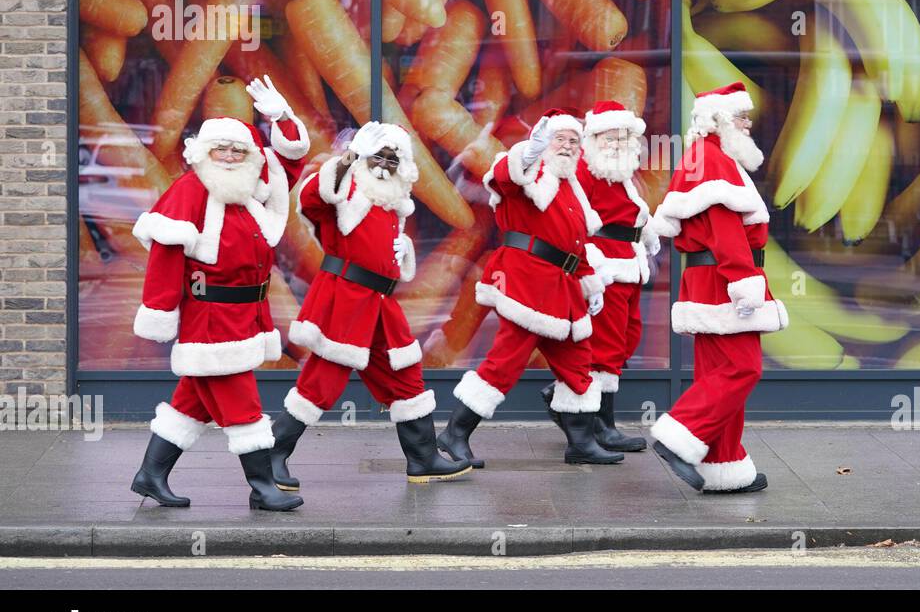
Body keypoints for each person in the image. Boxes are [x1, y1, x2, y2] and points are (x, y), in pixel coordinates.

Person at [129, 77, 310, 511]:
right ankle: (263, 486)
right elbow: (165, 259)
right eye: (220, 149)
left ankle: (150, 474)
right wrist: (160, 311)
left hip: (246, 315)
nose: (229, 157)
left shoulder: (247, 187)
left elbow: (290, 163)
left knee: (192, 400)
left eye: (238, 150)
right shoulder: (189, 191)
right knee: (241, 400)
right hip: (210, 318)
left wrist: (281, 117)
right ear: (203, 153)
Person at [268, 122, 472, 489]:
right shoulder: (345, 187)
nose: (385, 163)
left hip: (380, 306)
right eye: (379, 154)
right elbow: (311, 199)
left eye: (393, 158)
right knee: (321, 382)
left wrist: (401, 254)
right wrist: (347, 158)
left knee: (406, 376)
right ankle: (272, 454)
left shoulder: (393, 203)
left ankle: (422, 457)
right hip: (346, 301)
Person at [438, 108, 619, 467]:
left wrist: (590, 284)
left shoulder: (571, 189)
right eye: (560, 139)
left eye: (573, 141)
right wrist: (530, 149)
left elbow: (575, 245)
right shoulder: (526, 172)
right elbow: (503, 176)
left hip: (564, 289)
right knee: (505, 362)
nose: (567, 147)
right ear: (544, 141)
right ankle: (455, 432)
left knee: (578, 363)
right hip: (527, 284)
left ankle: (580, 442)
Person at [648, 81, 788, 494]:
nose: (748, 125)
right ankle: (678, 436)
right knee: (742, 368)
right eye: (742, 117)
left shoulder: (706, 157)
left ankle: (722, 465)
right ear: (722, 120)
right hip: (726, 281)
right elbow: (725, 231)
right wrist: (745, 283)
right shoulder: (713, 161)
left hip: (709, 280)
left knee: (717, 372)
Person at [540, 100, 659, 452]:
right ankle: (602, 425)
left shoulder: (622, 175)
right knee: (606, 349)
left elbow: (632, 214)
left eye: (624, 136)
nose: (618, 142)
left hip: (630, 266)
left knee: (627, 340)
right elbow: (576, 222)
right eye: (611, 136)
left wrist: (648, 233)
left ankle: (564, 395)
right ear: (594, 138)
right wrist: (589, 269)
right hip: (607, 269)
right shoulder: (586, 174)